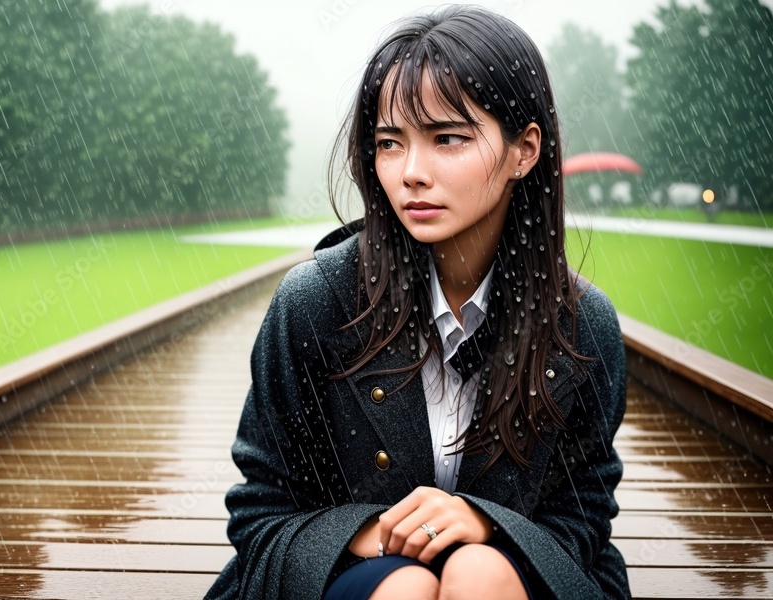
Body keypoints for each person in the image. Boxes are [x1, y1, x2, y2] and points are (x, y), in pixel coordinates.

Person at [206, 5, 631, 599]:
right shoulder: (313, 305)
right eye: (389, 142)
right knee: (405, 588)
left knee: (477, 573)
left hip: (503, 583)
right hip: (353, 582)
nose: (411, 172)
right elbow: (260, 515)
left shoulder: (581, 326)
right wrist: (375, 533)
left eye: (447, 138)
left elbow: (581, 522)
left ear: (523, 150)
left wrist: (487, 524)